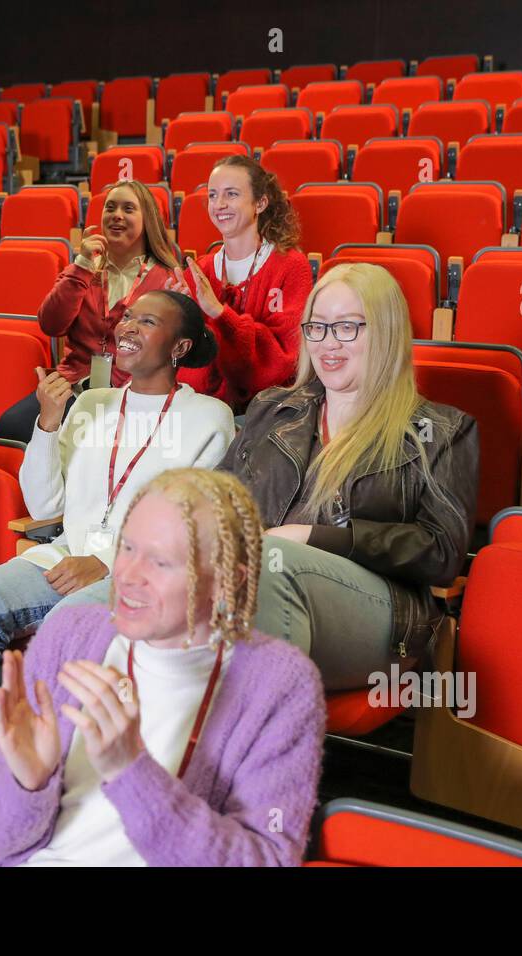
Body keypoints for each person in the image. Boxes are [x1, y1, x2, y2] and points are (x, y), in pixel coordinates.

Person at [0, 469, 325, 866]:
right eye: (127, 548)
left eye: (161, 562)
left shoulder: (280, 683)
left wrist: (131, 772)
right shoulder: (69, 633)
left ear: (223, 581)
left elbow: (264, 860)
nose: (128, 576)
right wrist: (27, 783)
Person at [0, 290, 235, 738]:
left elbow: (192, 530)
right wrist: (48, 422)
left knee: (67, 624)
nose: (128, 327)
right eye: (129, 317)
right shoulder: (92, 402)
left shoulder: (209, 417)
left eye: (148, 322)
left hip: (144, 575)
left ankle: (56, 764)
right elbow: (44, 506)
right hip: (64, 555)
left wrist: (107, 563)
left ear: (180, 347)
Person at [218, 262, 479, 690]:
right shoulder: (272, 408)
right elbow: (217, 498)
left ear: (386, 332)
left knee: (270, 563)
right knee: (129, 583)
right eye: (317, 327)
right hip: (249, 585)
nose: (328, 342)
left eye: (346, 327)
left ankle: (259, 728)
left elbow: (443, 552)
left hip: (381, 612)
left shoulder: (442, 431)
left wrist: (312, 537)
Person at [0, 180, 185, 441]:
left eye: (128, 208)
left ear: (147, 220)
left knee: (86, 442)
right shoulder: (84, 268)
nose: (117, 215)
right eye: (110, 208)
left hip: (130, 392)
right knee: (11, 426)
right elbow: (51, 324)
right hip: (73, 386)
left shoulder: (166, 279)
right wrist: (82, 266)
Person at [163, 154, 313, 413]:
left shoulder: (291, 265)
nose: (219, 204)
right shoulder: (200, 270)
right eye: (212, 195)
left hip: (268, 411)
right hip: (203, 409)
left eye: (231, 194)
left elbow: (285, 362)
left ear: (260, 203)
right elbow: (181, 361)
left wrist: (218, 313)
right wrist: (183, 319)